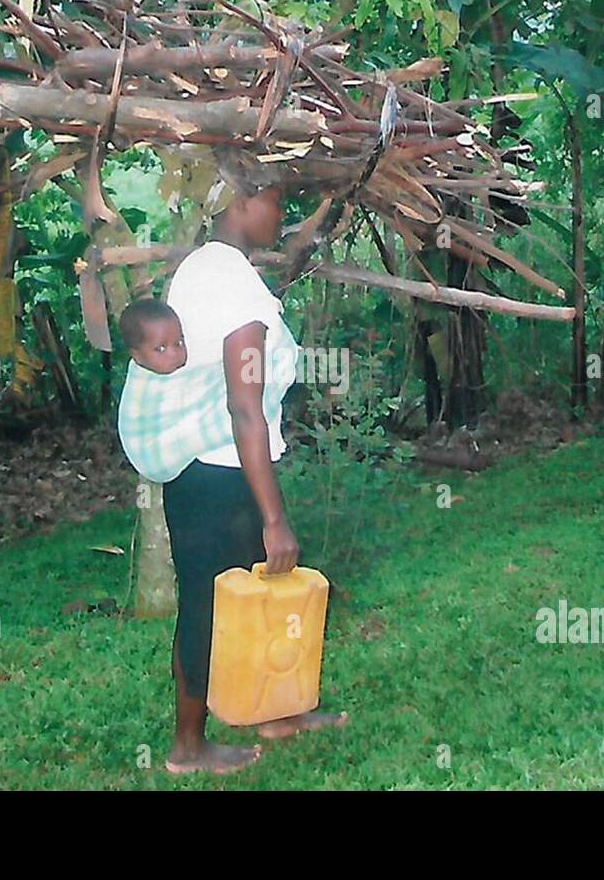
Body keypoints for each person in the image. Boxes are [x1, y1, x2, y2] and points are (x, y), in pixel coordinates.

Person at [117, 185, 348, 775]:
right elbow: (244, 406)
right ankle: (189, 746)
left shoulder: (204, 266)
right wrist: (274, 517)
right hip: (224, 473)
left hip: (213, 468)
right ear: (243, 201)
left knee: (258, 596)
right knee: (208, 604)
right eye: (275, 199)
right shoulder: (232, 283)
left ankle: (273, 711)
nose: (282, 212)